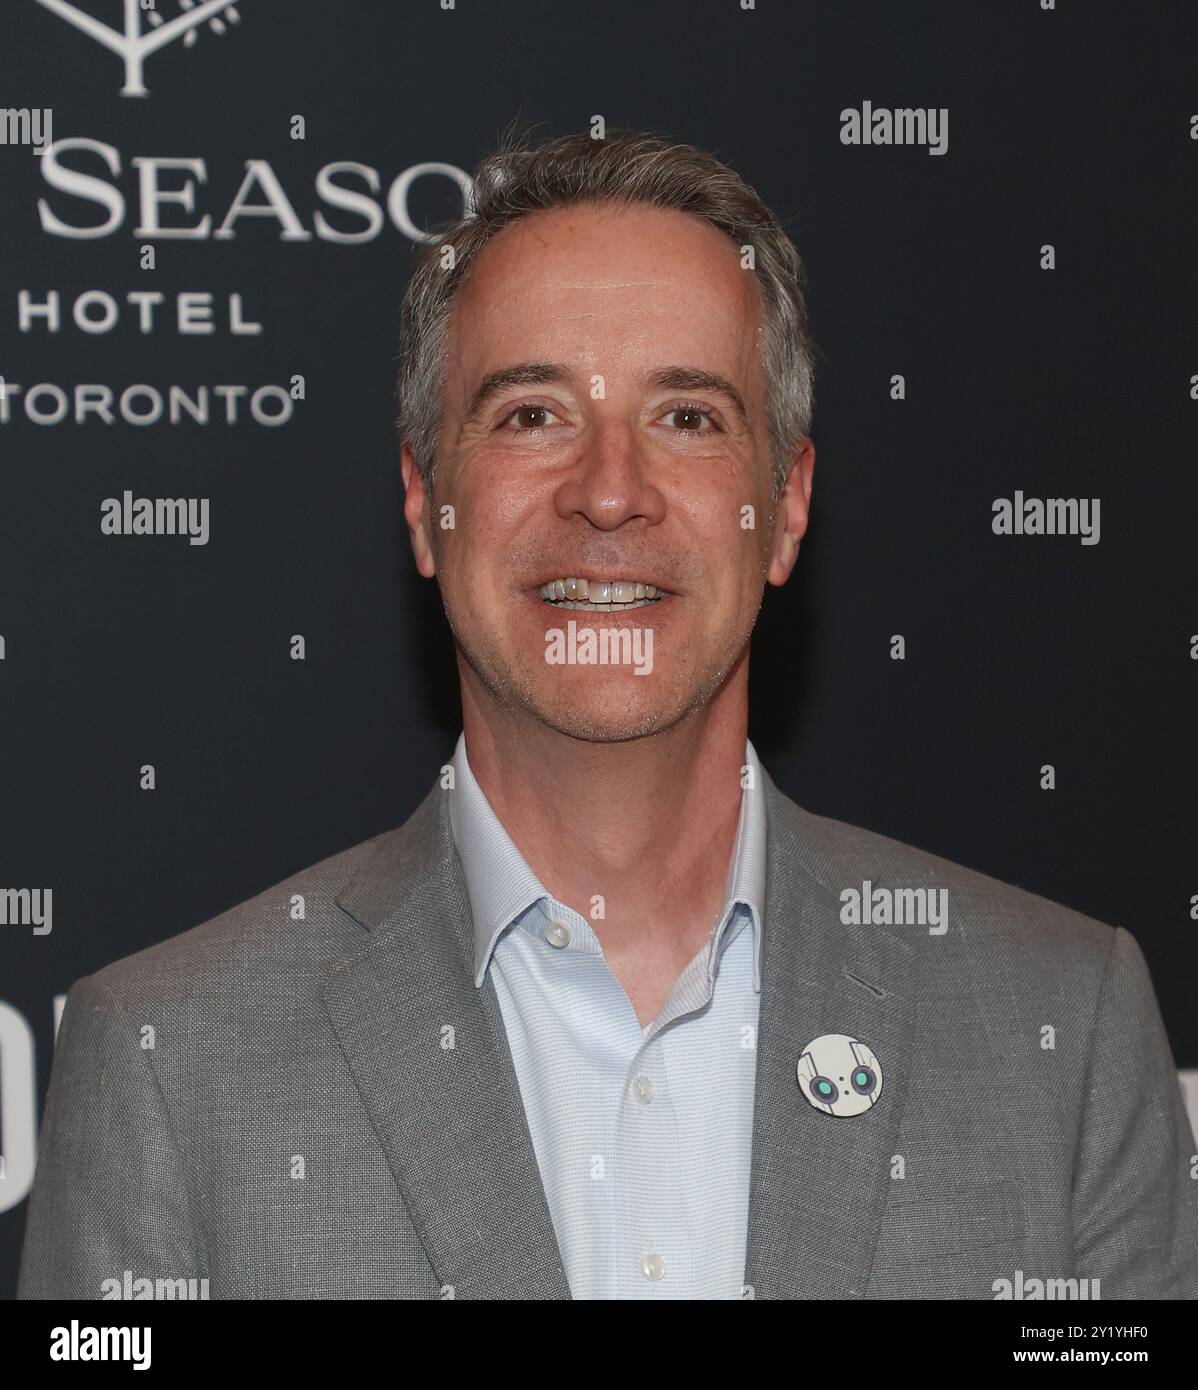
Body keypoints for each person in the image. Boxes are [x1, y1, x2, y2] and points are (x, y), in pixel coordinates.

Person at [18, 128, 1198, 1300]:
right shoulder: (168, 1064)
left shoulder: (1063, 1033)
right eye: (530, 412)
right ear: (427, 502)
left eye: (687, 415)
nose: (609, 491)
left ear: (785, 507)